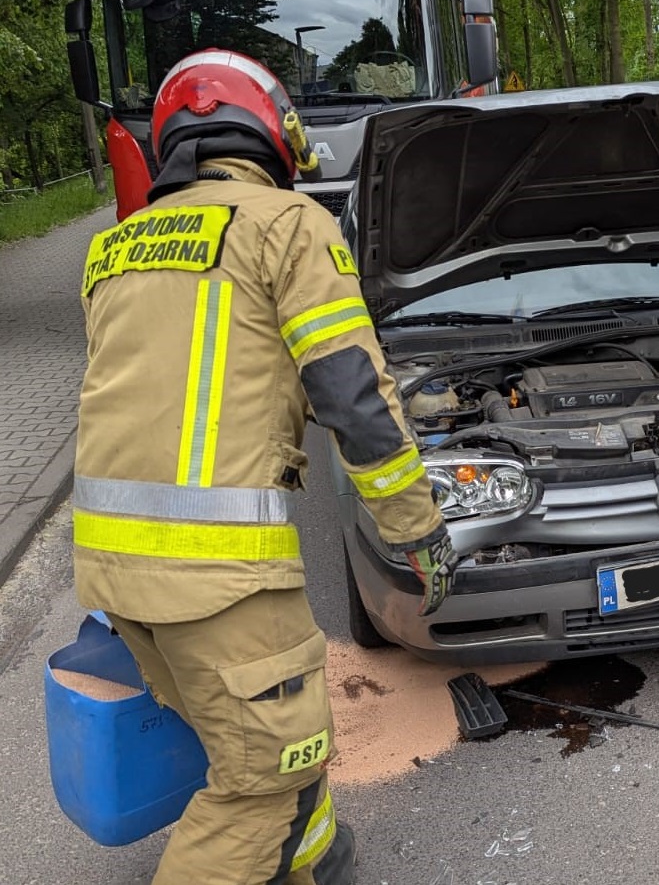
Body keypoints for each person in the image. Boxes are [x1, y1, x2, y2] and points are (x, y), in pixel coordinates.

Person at [73, 49, 459, 884]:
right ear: (272, 136)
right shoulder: (287, 226)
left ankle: (311, 858)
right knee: (262, 775)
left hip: (115, 576)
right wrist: (419, 529)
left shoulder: (116, 249)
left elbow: (195, 376)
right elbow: (354, 398)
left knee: (279, 730)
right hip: (216, 580)